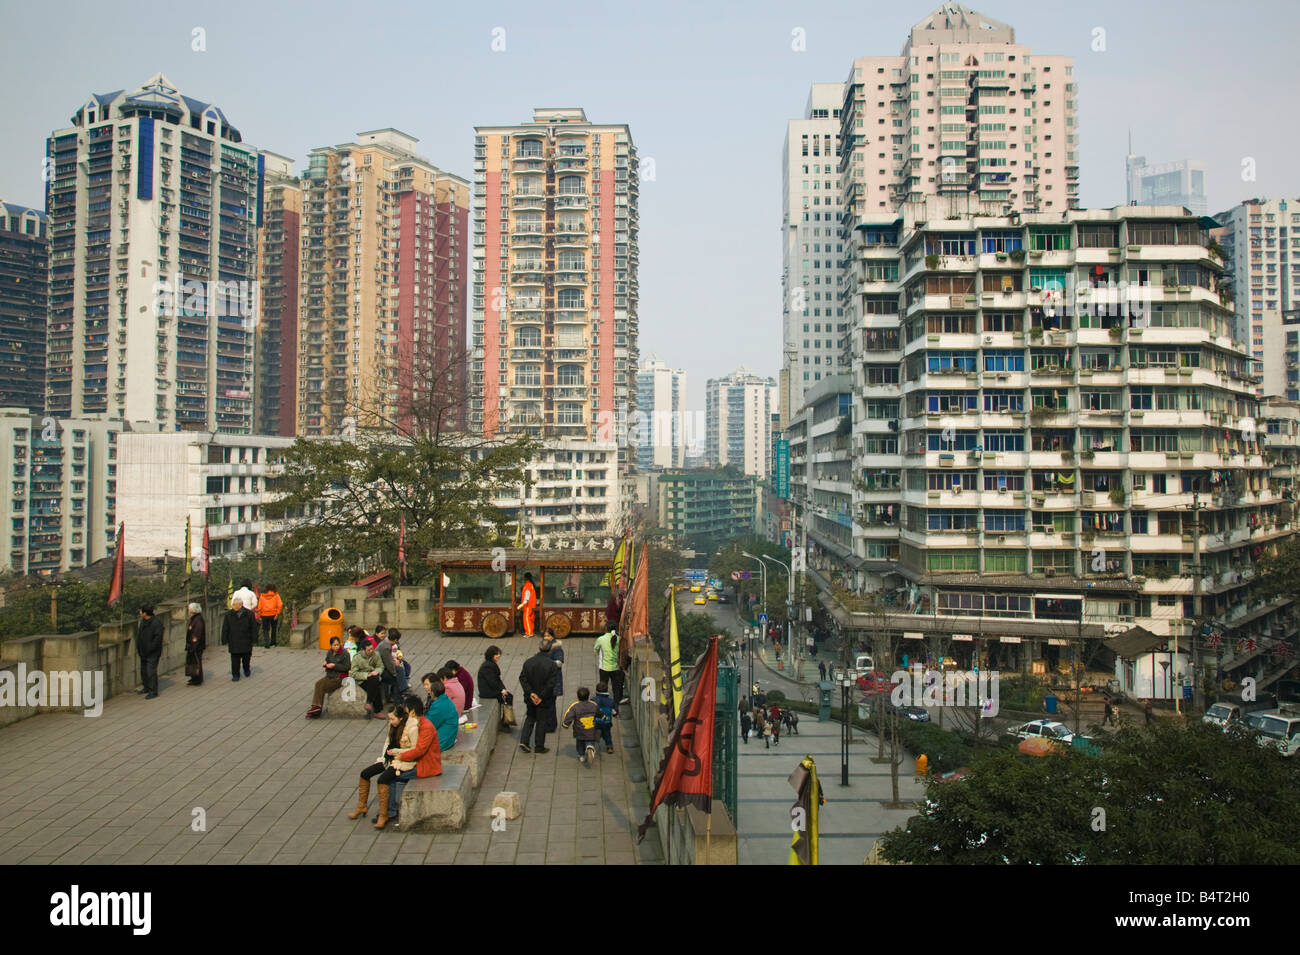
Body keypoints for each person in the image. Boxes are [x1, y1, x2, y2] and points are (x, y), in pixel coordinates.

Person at [377, 695, 441, 830]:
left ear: (411, 712)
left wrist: (400, 755)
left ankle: (389, 812)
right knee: (389, 776)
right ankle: (389, 811)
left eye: (406, 710)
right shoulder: (421, 723)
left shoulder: (425, 726)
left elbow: (419, 751)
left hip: (426, 766)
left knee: (389, 778)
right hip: (419, 763)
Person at [347, 700, 409, 822]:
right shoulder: (391, 726)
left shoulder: (407, 729)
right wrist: (382, 758)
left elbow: (409, 750)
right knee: (365, 773)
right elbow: (387, 743)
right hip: (387, 760)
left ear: (401, 718)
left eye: (392, 719)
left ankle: (383, 814)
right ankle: (361, 806)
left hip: (399, 762)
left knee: (382, 779)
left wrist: (396, 756)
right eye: (389, 719)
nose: (390, 722)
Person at [518, 638, 559, 754]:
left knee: (530, 717)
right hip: (544, 699)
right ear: (550, 650)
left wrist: (531, 693)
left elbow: (523, 679)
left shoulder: (528, 662)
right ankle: (539, 746)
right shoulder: (551, 665)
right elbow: (551, 684)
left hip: (530, 698)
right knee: (541, 721)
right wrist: (540, 696)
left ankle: (524, 741)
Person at [306, 636, 351, 718]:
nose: (336, 647)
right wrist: (325, 663)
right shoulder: (329, 652)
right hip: (330, 675)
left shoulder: (345, 654)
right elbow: (327, 660)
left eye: (337, 645)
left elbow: (347, 667)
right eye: (334, 645)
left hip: (339, 677)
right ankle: (316, 706)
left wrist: (334, 666)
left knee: (322, 686)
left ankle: (317, 707)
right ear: (331, 645)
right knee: (318, 684)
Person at [477, 645, 515, 732]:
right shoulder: (487, 666)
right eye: (496, 654)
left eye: (498, 654)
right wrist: (501, 690)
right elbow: (492, 682)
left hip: (491, 689)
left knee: (508, 696)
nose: (498, 656)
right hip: (487, 692)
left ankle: (506, 722)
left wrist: (503, 688)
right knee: (508, 697)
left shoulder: (490, 664)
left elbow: (497, 679)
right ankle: (505, 723)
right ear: (491, 655)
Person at [562, 686, 602, 765]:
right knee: (590, 739)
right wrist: (603, 717)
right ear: (588, 696)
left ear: (578, 696)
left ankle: (581, 755)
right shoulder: (593, 704)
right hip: (591, 729)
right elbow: (599, 713)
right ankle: (590, 746)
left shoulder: (574, 706)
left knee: (579, 743)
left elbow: (569, 716)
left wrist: (565, 725)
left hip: (579, 730)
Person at [350, 637, 386, 717]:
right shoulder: (357, 658)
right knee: (376, 684)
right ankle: (377, 710)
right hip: (362, 680)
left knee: (375, 680)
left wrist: (377, 671)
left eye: (372, 649)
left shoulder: (376, 654)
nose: (371, 651)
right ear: (363, 650)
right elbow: (354, 674)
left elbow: (380, 666)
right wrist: (366, 675)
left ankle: (369, 702)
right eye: (369, 650)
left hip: (374, 677)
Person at [422, 673, 458, 752]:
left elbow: (429, 725)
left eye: (427, 685)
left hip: (441, 741)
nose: (425, 687)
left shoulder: (438, 705)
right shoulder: (443, 699)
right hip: (447, 737)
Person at [223, 597, 257, 681]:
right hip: (234, 640)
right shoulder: (229, 614)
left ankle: (246, 669)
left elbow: (253, 627)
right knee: (235, 659)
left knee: (246, 657)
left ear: (241, 605)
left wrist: (254, 638)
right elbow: (225, 628)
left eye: (235, 604)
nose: (233, 606)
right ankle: (235, 674)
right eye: (233, 604)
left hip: (246, 639)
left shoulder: (249, 614)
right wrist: (224, 639)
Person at [136, 604, 164, 699]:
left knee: (151, 672)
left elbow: (157, 639)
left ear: (145, 613)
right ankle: (146, 687)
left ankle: (153, 691)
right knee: (143, 671)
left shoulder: (156, 623)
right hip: (143, 651)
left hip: (152, 653)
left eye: (141, 611)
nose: (139, 612)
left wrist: (150, 648)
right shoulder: (143, 621)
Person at [593, 626, 624, 707]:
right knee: (616, 689)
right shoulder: (619, 639)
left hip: (604, 668)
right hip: (616, 668)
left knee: (603, 687)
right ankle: (616, 706)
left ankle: (602, 705)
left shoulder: (601, 639)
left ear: (606, 629)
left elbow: (595, 649)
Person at [593, 681, 618, 754]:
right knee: (607, 734)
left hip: (596, 721)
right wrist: (615, 715)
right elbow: (614, 711)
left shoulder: (593, 700)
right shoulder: (611, 701)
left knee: (594, 729)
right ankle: (609, 747)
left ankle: (596, 736)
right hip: (607, 722)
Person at [184, 602, 205, 686]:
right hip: (192, 645)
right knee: (192, 662)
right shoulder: (194, 619)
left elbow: (197, 634)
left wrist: (193, 645)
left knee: (196, 662)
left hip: (196, 646)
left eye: (189, 610)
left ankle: (197, 678)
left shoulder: (198, 620)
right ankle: (193, 677)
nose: (188, 612)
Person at [375, 628, 398, 704]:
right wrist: (394, 673)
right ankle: (395, 697)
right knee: (395, 678)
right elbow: (388, 663)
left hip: (381, 666)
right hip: (379, 668)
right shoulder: (386, 647)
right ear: (395, 640)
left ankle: (390, 697)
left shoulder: (385, 643)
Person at [256, 583, 282, 649]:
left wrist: (259, 615)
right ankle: (273, 642)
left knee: (265, 629)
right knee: (273, 628)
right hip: (273, 614)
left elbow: (259, 606)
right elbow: (280, 604)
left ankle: (267, 643)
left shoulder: (262, 595)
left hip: (264, 614)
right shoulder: (276, 595)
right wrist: (277, 613)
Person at [518, 572, 538, 636]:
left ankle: (529, 632)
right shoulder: (531, 584)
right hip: (531, 605)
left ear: (525, 578)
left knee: (527, 619)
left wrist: (521, 605)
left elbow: (527, 598)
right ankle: (531, 631)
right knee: (531, 619)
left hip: (527, 606)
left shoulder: (527, 585)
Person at [548, 634, 565, 704]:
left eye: (548, 636)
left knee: (551, 703)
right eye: (545, 636)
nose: (546, 638)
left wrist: (546, 663)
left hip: (553, 677)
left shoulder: (557, 649)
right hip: (545, 679)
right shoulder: (544, 646)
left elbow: (559, 663)